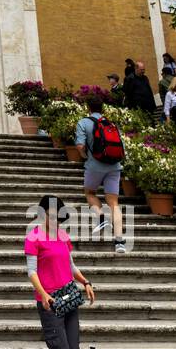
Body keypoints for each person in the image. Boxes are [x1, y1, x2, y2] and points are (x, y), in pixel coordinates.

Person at [25, 195, 95, 349]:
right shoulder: (34, 237)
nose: (55, 220)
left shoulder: (63, 236)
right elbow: (32, 272)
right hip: (50, 302)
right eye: (52, 216)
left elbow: (71, 265)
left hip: (69, 298)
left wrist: (85, 282)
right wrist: (43, 294)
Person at [74, 94, 125, 252]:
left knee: (90, 193)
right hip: (114, 166)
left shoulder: (83, 123)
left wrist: (85, 157)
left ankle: (101, 216)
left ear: (88, 108)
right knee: (114, 203)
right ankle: (119, 242)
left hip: (94, 166)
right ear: (102, 108)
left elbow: (80, 146)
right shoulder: (111, 123)